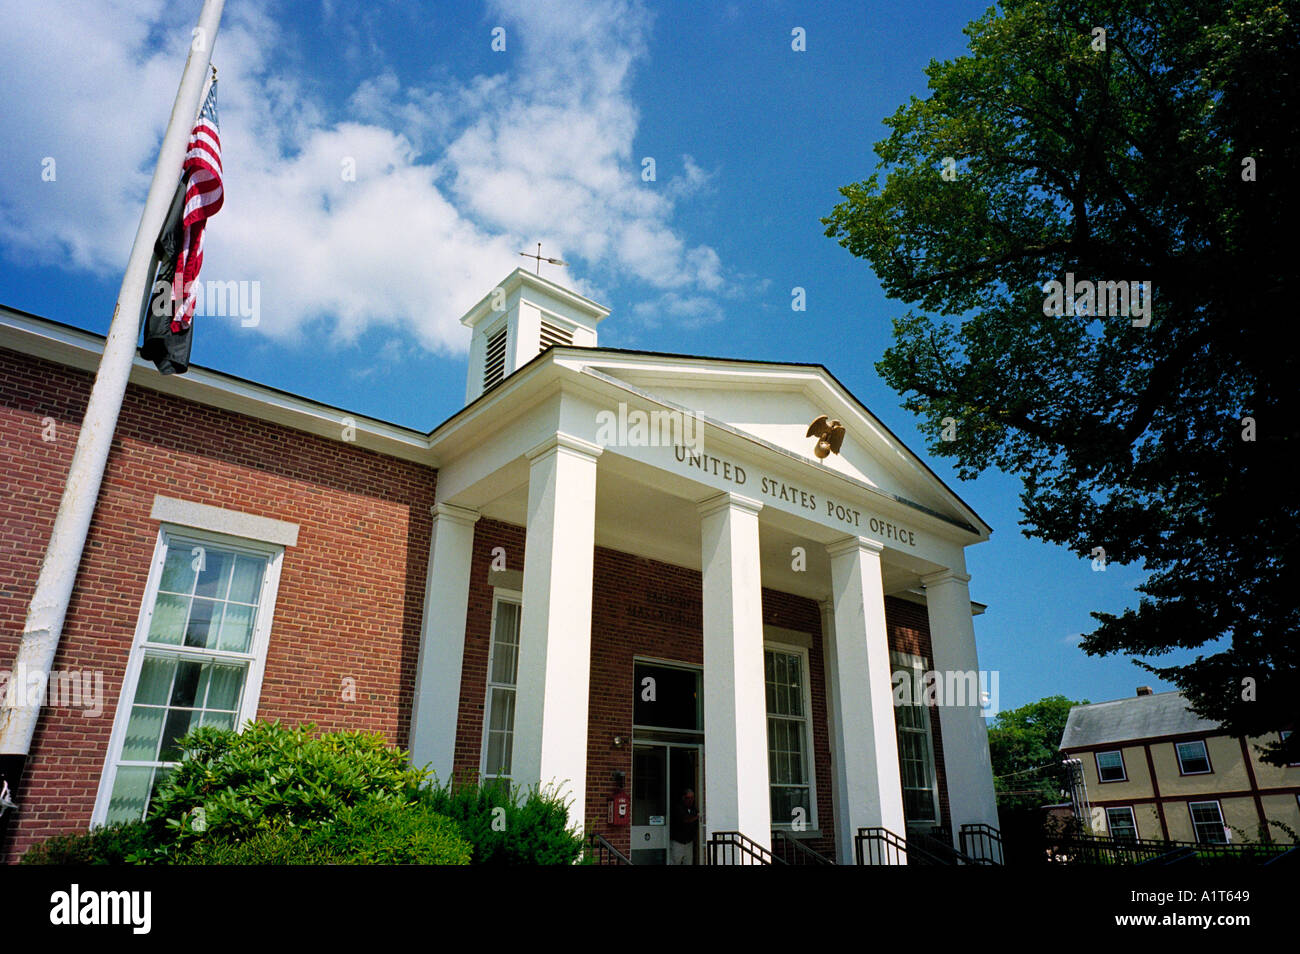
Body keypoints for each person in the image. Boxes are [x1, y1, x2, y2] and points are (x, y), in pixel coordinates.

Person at [669, 788, 699, 864]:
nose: (690, 800)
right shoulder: (678, 808)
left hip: (689, 842)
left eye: (692, 798)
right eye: (688, 798)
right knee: (675, 862)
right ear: (683, 798)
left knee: (688, 862)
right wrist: (697, 817)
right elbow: (685, 819)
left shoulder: (694, 809)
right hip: (677, 842)